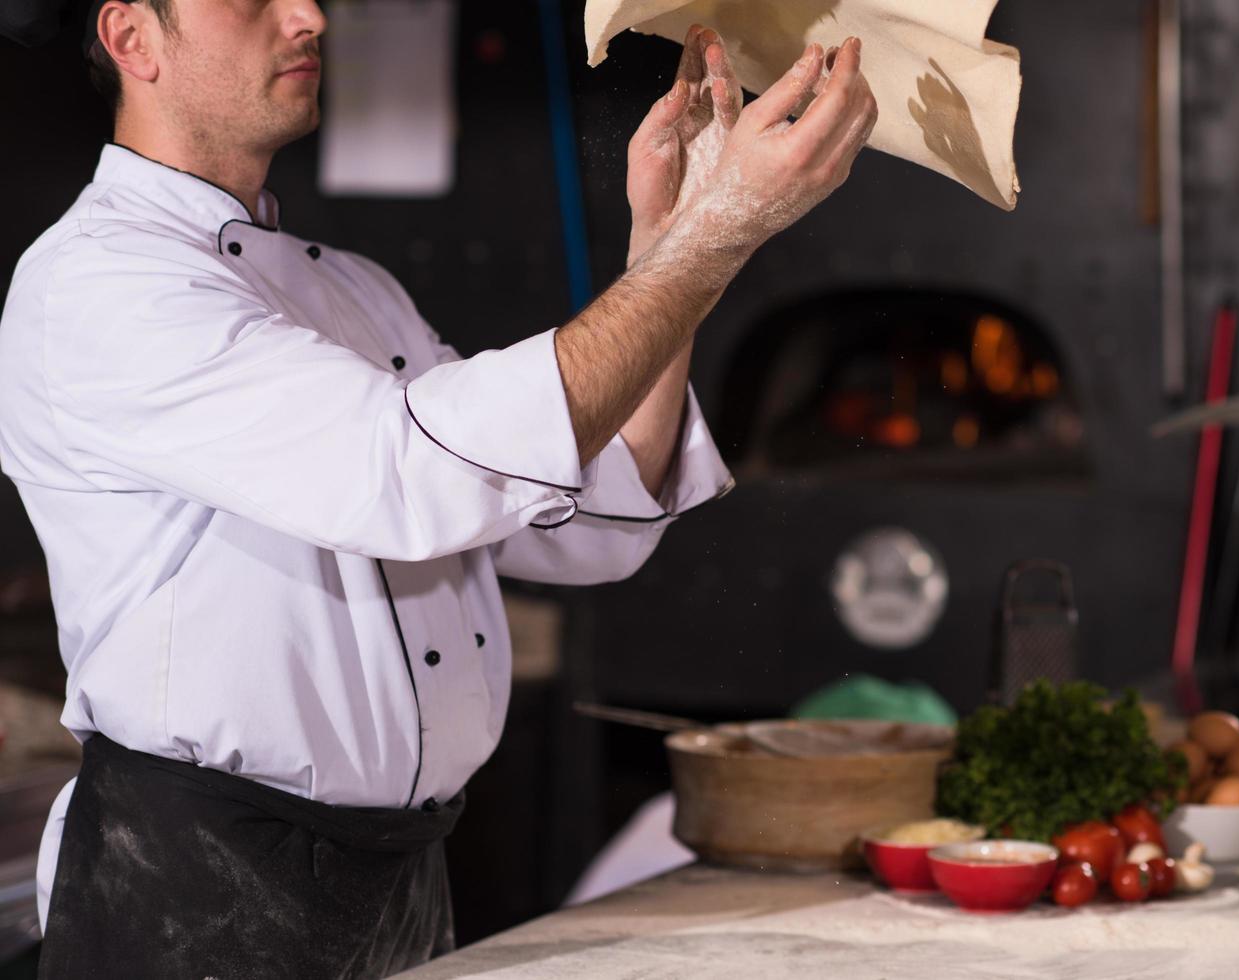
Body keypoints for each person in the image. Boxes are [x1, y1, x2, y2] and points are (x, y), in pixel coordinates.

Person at [0, 0, 877, 976]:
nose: (309, 14)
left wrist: (667, 242)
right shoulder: (101, 282)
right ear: (132, 38)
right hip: (192, 886)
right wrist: (710, 242)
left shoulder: (356, 292)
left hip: (402, 874)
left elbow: (588, 520)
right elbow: (409, 476)